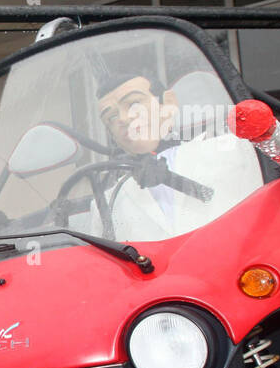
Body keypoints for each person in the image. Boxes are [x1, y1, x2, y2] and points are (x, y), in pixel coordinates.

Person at [94, 71, 262, 241]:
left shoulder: (234, 150)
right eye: (111, 117)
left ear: (168, 103)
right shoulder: (108, 202)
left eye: (134, 104)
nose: (123, 118)